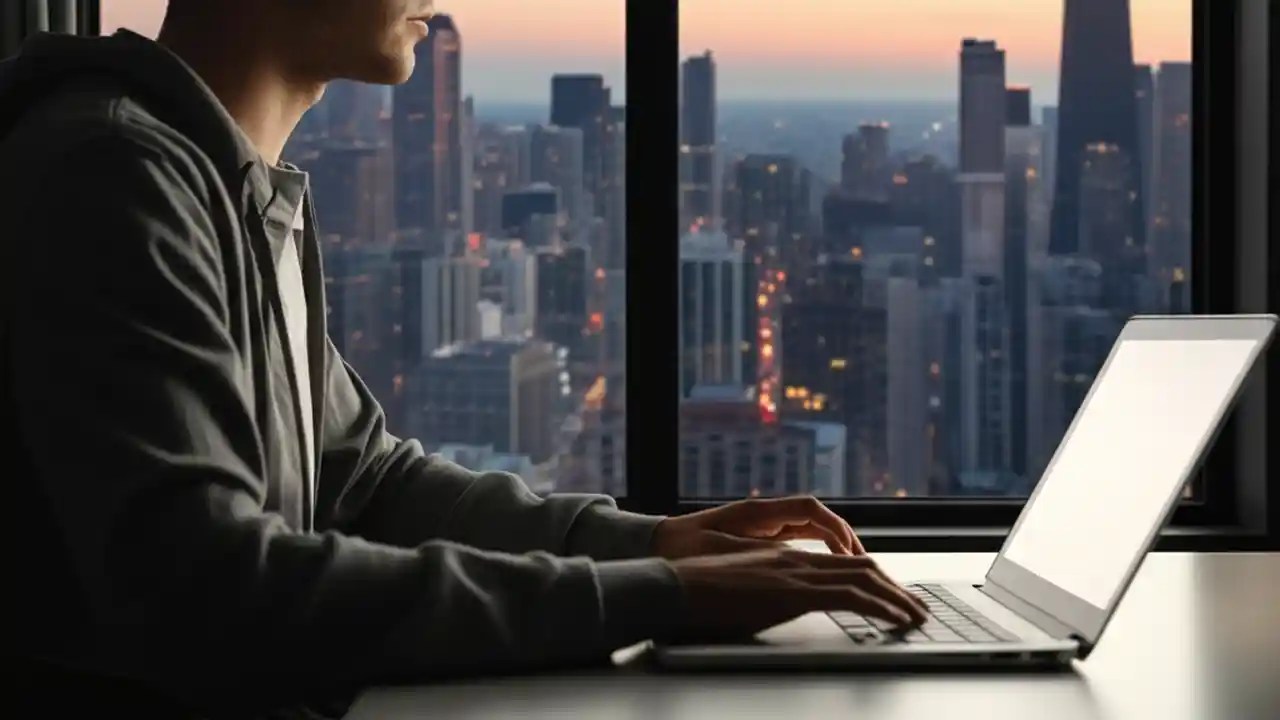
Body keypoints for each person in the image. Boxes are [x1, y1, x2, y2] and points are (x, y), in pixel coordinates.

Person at [0, 1, 927, 716]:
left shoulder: (220, 183)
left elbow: (364, 481)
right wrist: (660, 595)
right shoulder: (111, 175)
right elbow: (210, 589)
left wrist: (648, 542)